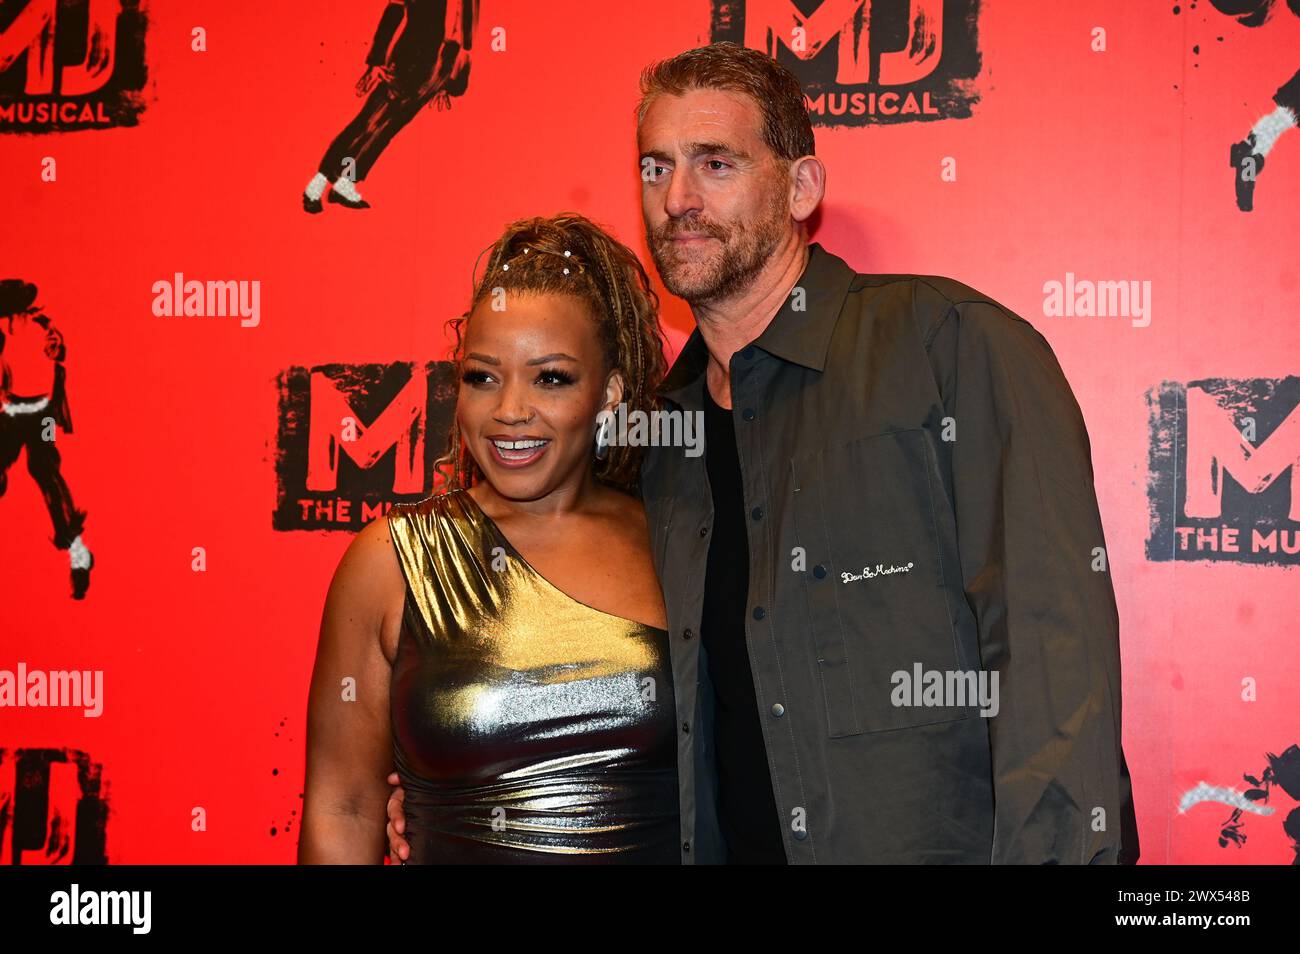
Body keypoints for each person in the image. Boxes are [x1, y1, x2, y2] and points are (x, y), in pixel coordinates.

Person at [387, 41, 1140, 864]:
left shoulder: (950, 352)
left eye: (716, 163)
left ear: (802, 186)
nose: (677, 198)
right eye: (655, 167)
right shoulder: (652, 443)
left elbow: (1054, 675)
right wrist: (445, 791)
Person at [299, 213, 680, 863]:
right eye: (483, 376)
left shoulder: (680, 544)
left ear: (609, 393)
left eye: (551, 377)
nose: (510, 411)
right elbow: (344, 804)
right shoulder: (393, 561)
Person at [302, 0, 478, 213]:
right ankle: (319, 184)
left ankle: (344, 182)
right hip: (413, 62)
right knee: (368, 124)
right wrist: (377, 59)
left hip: (432, 69)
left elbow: (464, 33)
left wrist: (452, 79)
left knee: (383, 130)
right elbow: (397, 8)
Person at [0, 279, 94, 599]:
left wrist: (56, 349)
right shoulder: (4, 329)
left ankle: (76, 549)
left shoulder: (43, 327)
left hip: (43, 415)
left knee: (45, 469)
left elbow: (59, 354)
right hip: (13, 412)